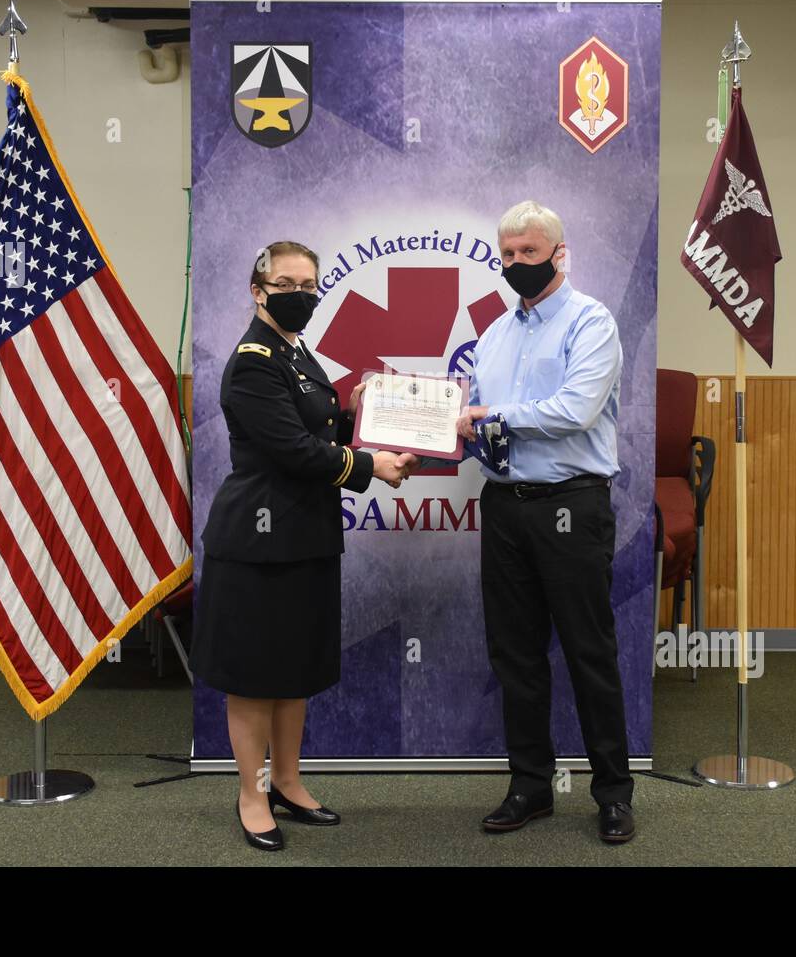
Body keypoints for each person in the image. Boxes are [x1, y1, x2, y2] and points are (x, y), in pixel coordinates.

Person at [410, 200, 635, 843]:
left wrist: (489, 417)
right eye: (507, 255)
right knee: (514, 655)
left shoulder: (592, 322)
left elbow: (575, 410)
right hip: (505, 506)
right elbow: (478, 422)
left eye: (528, 253)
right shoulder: (495, 335)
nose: (515, 265)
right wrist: (427, 420)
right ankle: (530, 786)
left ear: (558, 254)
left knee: (590, 652)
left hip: (571, 505)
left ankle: (614, 795)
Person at [191, 240, 415, 852]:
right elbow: (290, 450)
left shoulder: (297, 352)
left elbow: (315, 428)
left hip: (306, 533)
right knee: (254, 675)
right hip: (258, 540)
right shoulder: (254, 360)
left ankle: (288, 782)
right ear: (257, 291)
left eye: (308, 284)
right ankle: (251, 794)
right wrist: (370, 465)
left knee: (292, 672)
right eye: (285, 285)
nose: (300, 295)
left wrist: (355, 412)